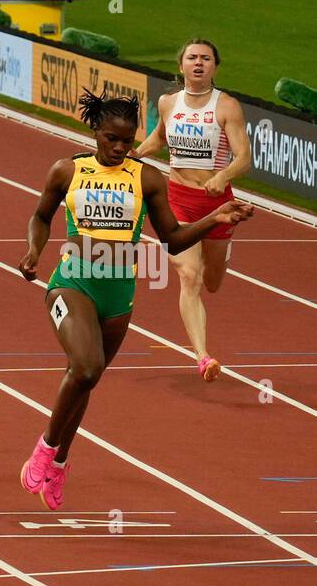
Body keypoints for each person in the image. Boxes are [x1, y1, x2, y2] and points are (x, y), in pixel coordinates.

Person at [18, 92, 253, 508]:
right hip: (73, 282)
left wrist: (213, 219)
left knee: (85, 381)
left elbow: (173, 239)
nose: (121, 148)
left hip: (119, 294)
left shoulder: (145, 178)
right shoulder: (67, 170)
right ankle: (46, 446)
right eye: (112, 139)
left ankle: (60, 464)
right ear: (95, 132)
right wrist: (35, 251)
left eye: (127, 141)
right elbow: (41, 216)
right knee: (86, 367)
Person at [134, 38, 252, 381]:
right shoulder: (168, 102)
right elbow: (159, 137)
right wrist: (137, 154)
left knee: (212, 282)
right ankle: (202, 357)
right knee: (189, 276)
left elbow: (244, 156)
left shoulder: (226, 106)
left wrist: (224, 176)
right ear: (181, 65)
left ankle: (221, 255)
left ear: (215, 67)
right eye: (192, 58)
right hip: (177, 201)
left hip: (217, 204)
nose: (198, 63)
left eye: (205, 59)